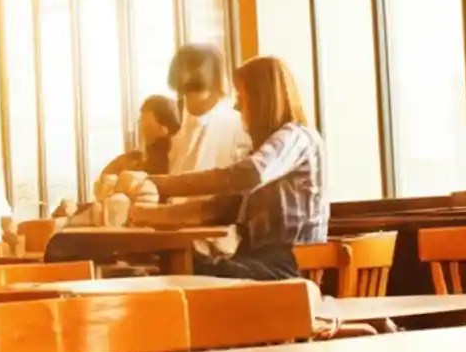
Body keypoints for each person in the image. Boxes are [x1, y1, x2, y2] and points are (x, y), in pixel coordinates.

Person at [124, 55, 329, 279]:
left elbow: (249, 174)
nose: (236, 106)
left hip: (288, 269)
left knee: (184, 274)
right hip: (261, 261)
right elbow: (220, 209)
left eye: (242, 96)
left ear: (263, 98)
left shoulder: (297, 137)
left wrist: (158, 183)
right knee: (166, 269)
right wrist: (147, 215)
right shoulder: (267, 154)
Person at [167, 43, 251, 175]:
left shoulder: (238, 128)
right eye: (184, 91)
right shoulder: (183, 133)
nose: (187, 97)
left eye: (195, 88)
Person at [100, 95, 181, 178]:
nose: (141, 127)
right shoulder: (137, 157)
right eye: (141, 121)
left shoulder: (163, 152)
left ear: (163, 128)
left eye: (146, 126)